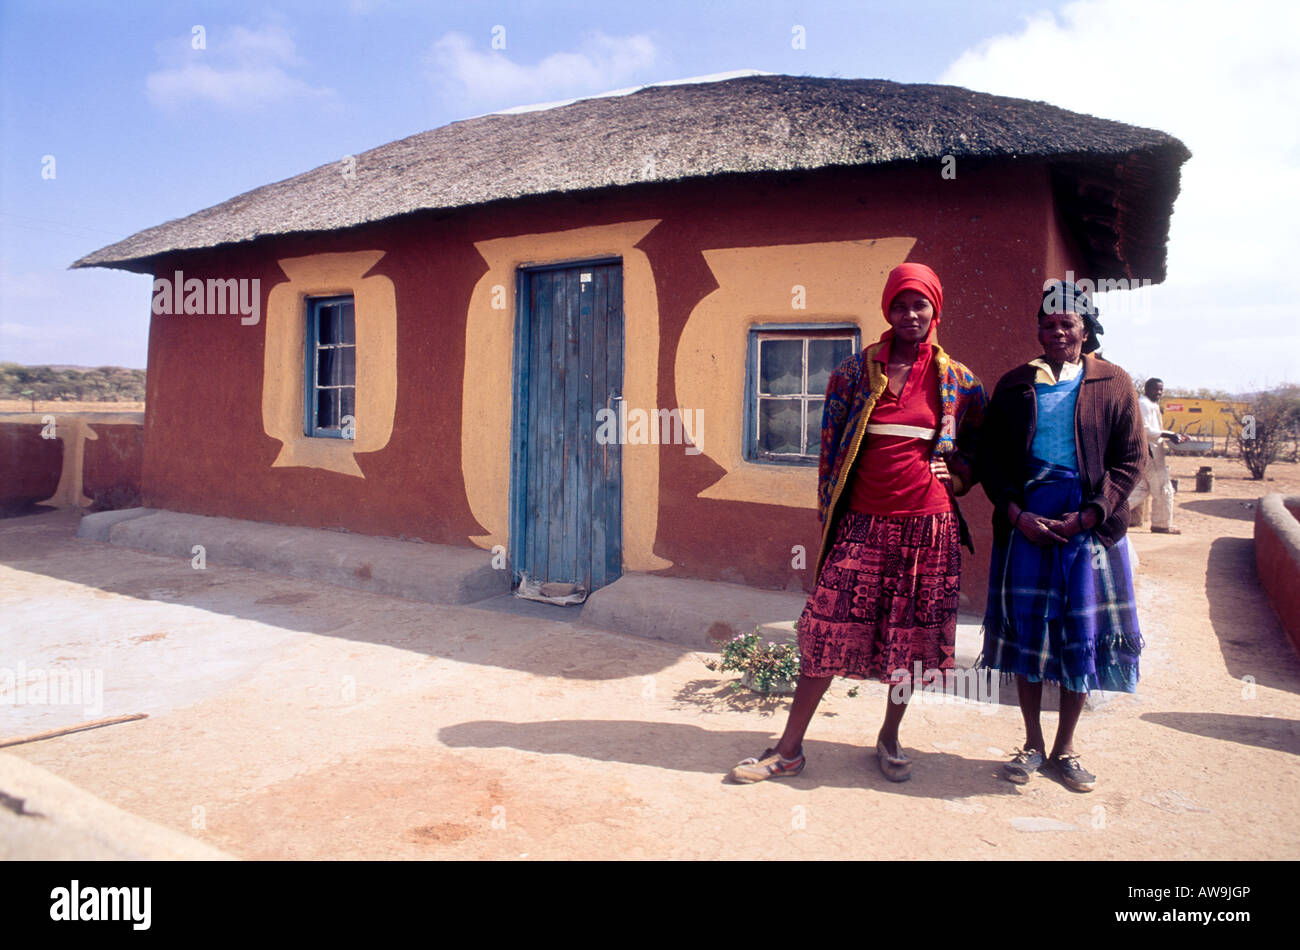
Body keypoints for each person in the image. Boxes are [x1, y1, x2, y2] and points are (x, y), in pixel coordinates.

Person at [729, 263, 985, 784]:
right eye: (899, 305)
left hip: (927, 528)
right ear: (886, 309)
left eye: (920, 305)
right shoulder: (853, 372)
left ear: (937, 309)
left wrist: (956, 476)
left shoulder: (959, 380)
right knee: (824, 629)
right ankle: (789, 748)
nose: (910, 314)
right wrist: (830, 515)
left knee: (908, 641)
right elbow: (829, 450)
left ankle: (889, 737)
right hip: (862, 525)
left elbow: (982, 450)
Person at [977, 280, 1145, 792]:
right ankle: (1030, 743)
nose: (1056, 333)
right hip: (1026, 522)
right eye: (1047, 324)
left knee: (1081, 634)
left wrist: (1090, 515)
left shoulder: (1113, 383)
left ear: (1086, 329)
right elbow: (991, 459)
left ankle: (1065, 749)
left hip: (1088, 528)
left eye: (1067, 324)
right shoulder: (1014, 385)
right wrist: (1015, 511)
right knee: (1029, 633)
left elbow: (1130, 460)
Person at [1128, 377, 1189, 534]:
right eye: (1156, 389)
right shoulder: (1144, 404)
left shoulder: (1150, 404)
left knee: (1141, 489)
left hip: (1148, 453)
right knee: (1164, 489)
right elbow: (1145, 430)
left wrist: (1173, 435)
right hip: (1150, 453)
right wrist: (1169, 434)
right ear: (1147, 389)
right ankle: (1162, 525)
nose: (1159, 392)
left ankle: (1107, 516)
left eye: (1161, 389)